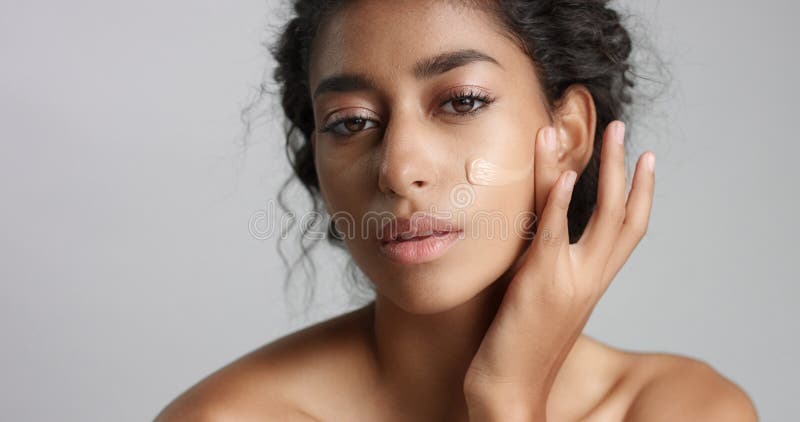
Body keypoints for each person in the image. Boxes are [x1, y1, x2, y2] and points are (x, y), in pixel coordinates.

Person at [156, 0, 758, 420]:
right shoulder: (225, 416)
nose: (397, 169)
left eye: (462, 102)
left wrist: (507, 401)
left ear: (569, 134)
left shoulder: (679, 409)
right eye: (351, 122)